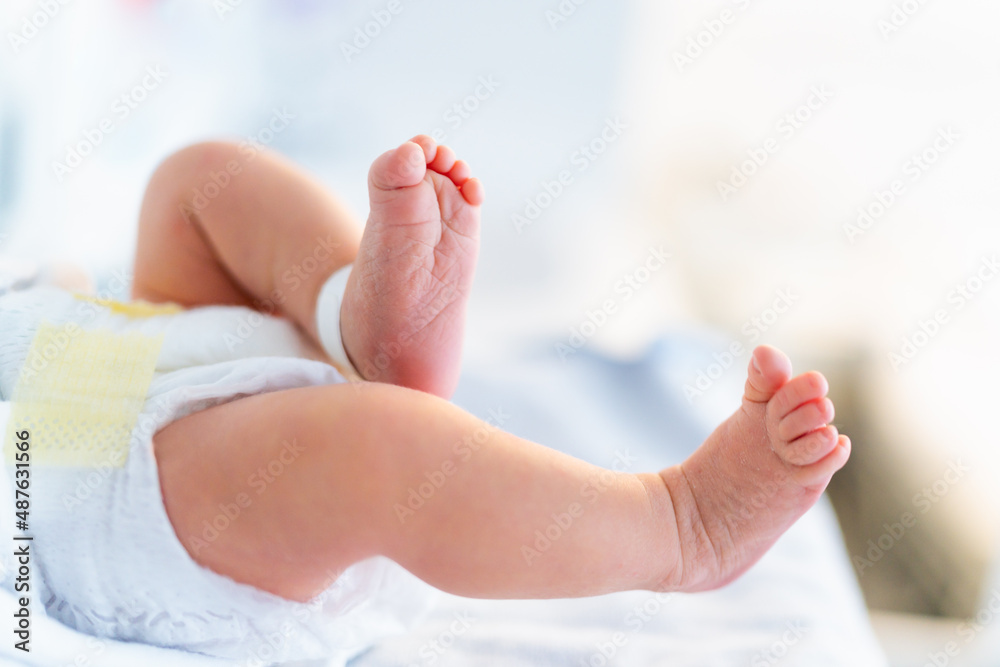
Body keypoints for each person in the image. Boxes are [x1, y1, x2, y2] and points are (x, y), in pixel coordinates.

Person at [0, 136, 850, 662]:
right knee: (371, 450)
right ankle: (674, 525)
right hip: (89, 528)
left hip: (87, 377)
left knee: (196, 183)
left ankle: (355, 317)